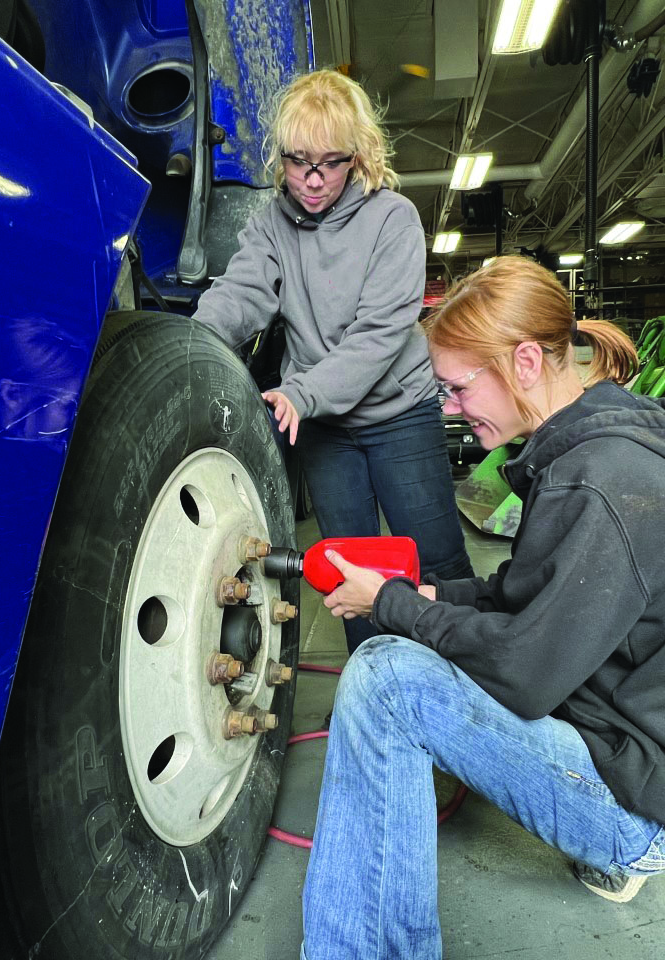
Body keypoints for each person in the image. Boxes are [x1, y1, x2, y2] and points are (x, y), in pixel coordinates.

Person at [300, 256, 665, 959]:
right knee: (411, 648)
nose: (451, 407)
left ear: (524, 361)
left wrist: (395, 606)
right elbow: (532, 599)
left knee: (386, 680)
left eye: (458, 388)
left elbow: (524, 671)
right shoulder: (596, 452)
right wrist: (436, 596)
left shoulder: (600, 483)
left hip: (652, 807)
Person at [192, 69, 474, 653]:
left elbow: (379, 334)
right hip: (326, 430)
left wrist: (302, 392)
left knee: (437, 558)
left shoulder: (392, 219)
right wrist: (190, 343)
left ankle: (464, 688)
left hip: (400, 416)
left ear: (358, 156)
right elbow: (242, 293)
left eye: (329, 163)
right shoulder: (273, 223)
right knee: (347, 572)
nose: (312, 180)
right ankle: (376, 691)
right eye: (298, 162)